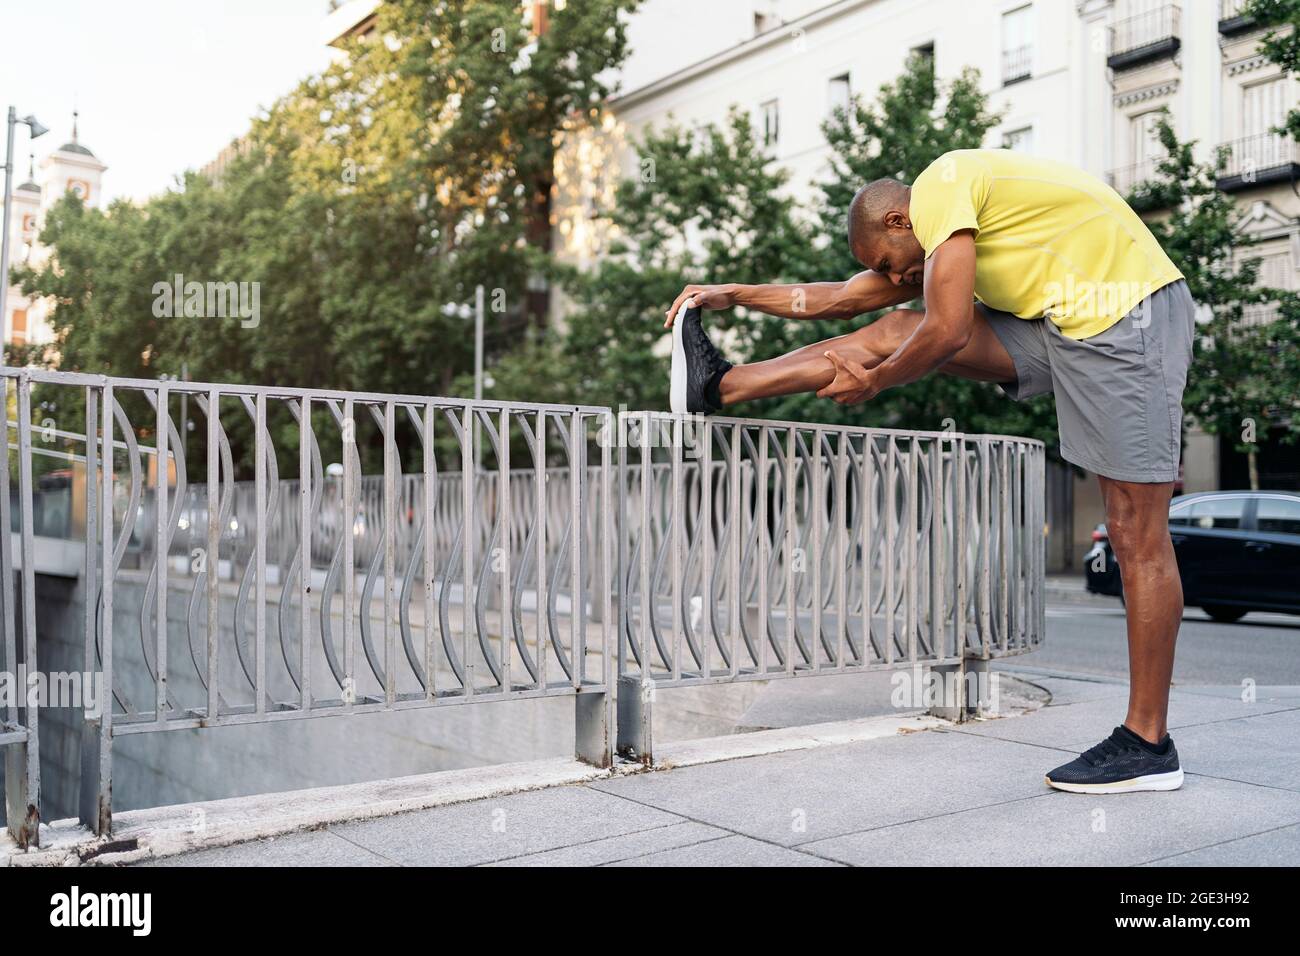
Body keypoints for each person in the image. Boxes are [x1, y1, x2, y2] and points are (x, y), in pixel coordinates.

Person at [666, 148, 1193, 794]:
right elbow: (839, 301)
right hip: (1065, 324)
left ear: (897, 219)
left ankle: (1148, 742)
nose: (895, 273)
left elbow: (944, 331)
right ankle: (718, 386)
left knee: (1134, 530)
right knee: (890, 327)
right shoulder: (937, 235)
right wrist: (732, 296)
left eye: (890, 262)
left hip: (1126, 312)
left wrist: (877, 384)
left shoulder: (941, 186)